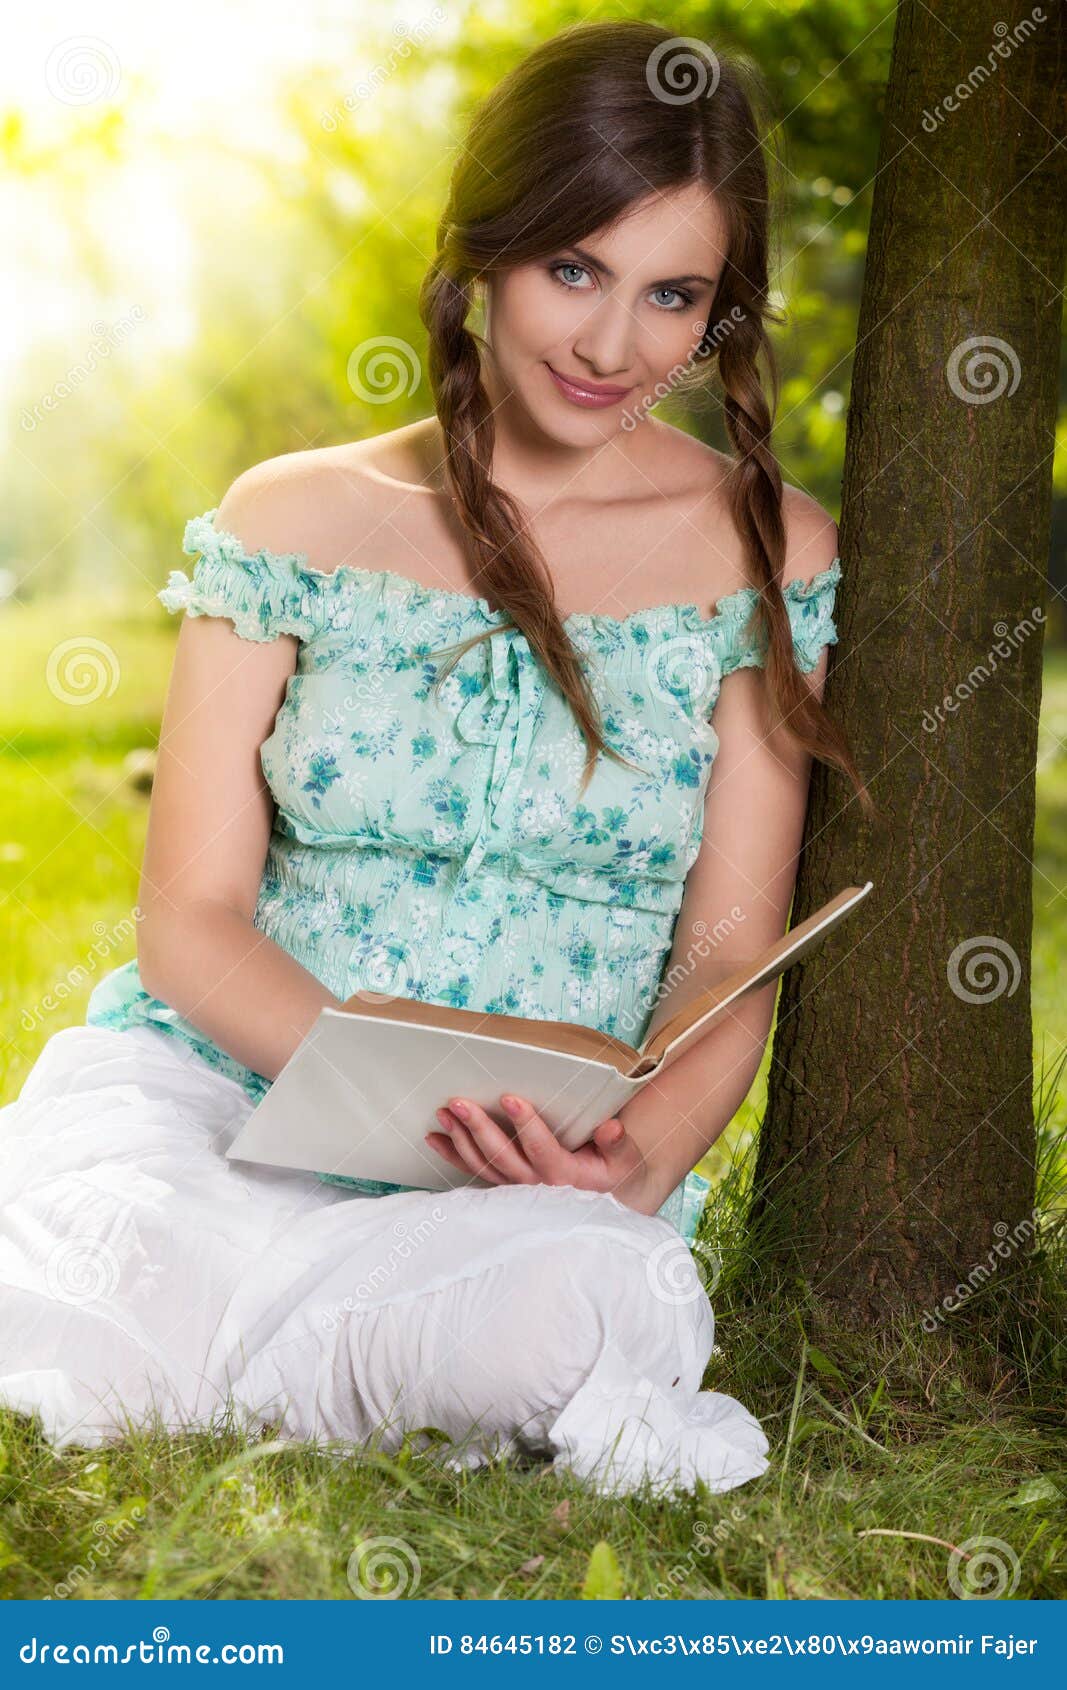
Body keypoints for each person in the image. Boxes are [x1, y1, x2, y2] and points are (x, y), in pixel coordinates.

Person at [0, 19, 865, 1498]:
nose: (612, 348)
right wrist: (389, 1103)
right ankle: (276, 1339)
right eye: (573, 271)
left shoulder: (769, 556)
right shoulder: (289, 520)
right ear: (482, 250)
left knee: (607, 1301)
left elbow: (731, 944)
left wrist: (633, 1165)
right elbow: (191, 918)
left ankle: (265, 1347)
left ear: (722, 310)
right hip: (219, 1102)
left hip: (526, 1182)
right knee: (99, 1260)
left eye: (674, 296)